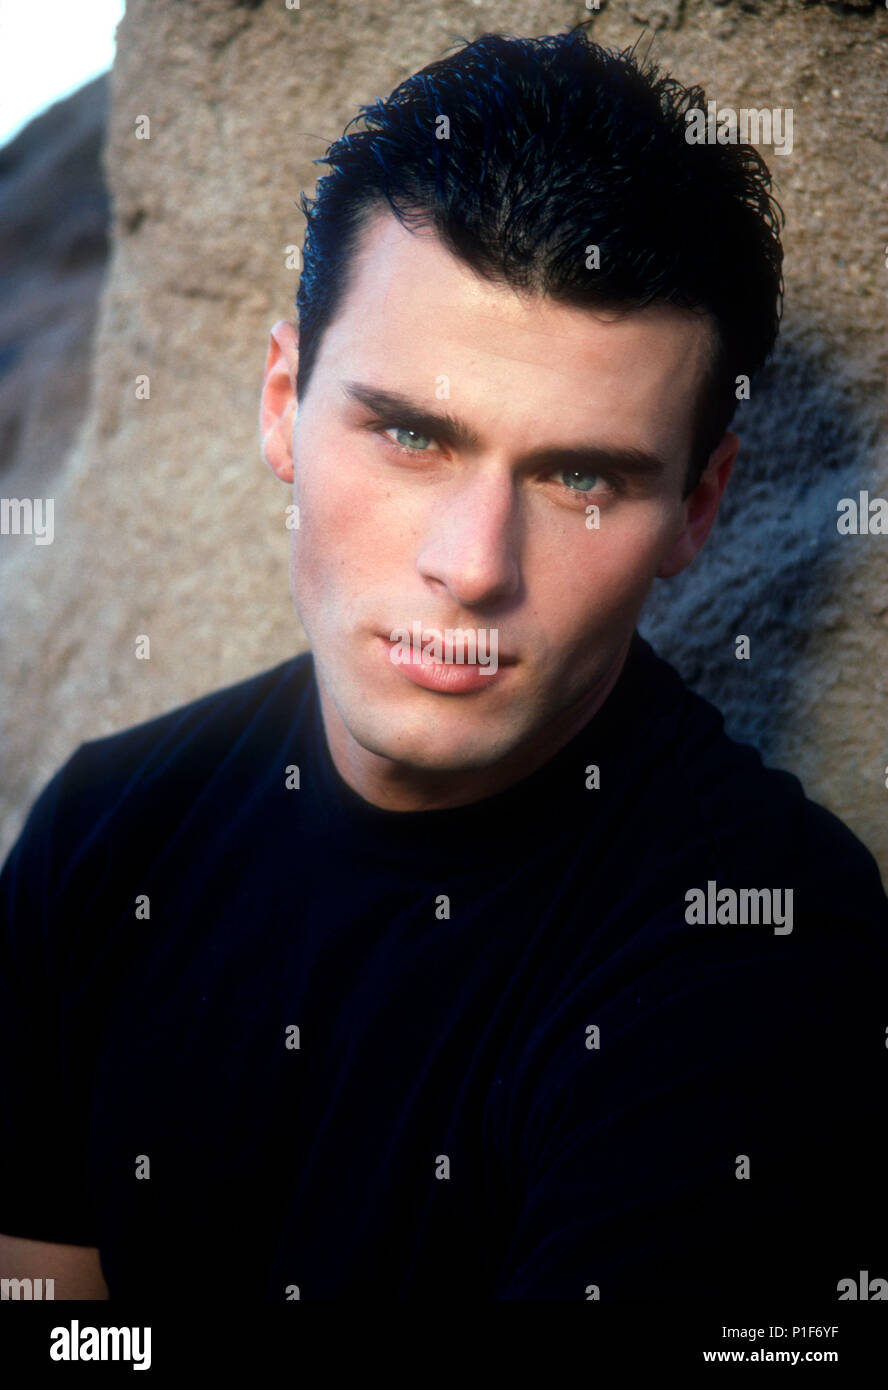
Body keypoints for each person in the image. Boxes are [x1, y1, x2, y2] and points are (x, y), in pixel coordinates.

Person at [1, 27, 885, 1303]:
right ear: (280, 404)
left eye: (584, 476)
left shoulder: (767, 953)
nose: (473, 566)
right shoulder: (104, 831)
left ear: (699, 509)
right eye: (412, 434)